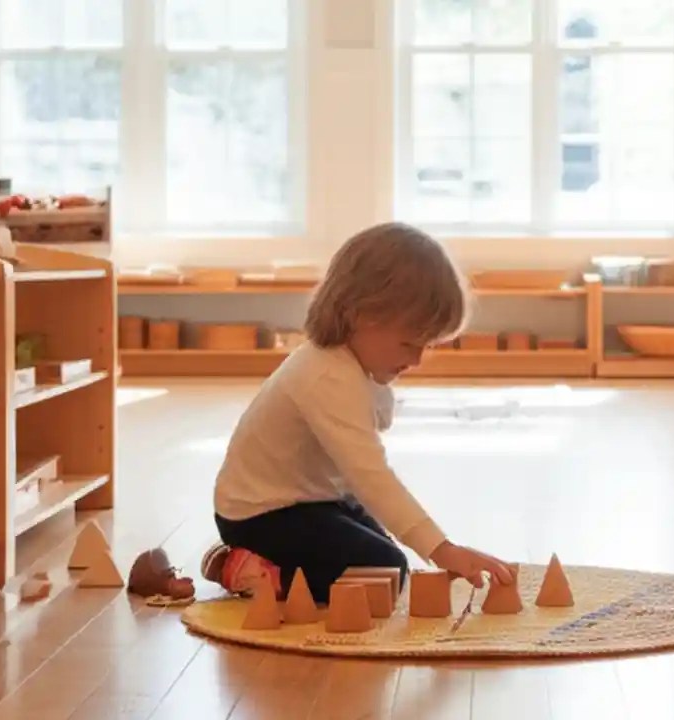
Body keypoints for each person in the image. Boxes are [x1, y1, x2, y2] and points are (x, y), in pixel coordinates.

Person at [202, 222, 514, 603]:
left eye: (426, 345)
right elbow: (370, 473)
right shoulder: (325, 375)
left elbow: (378, 421)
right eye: (409, 343)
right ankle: (244, 567)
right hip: (260, 516)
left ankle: (271, 563)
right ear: (362, 316)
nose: (416, 360)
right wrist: (443, 549)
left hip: (313, 499)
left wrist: (380, 378)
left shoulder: (352, 366)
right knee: (385, 570)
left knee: (383, 563)